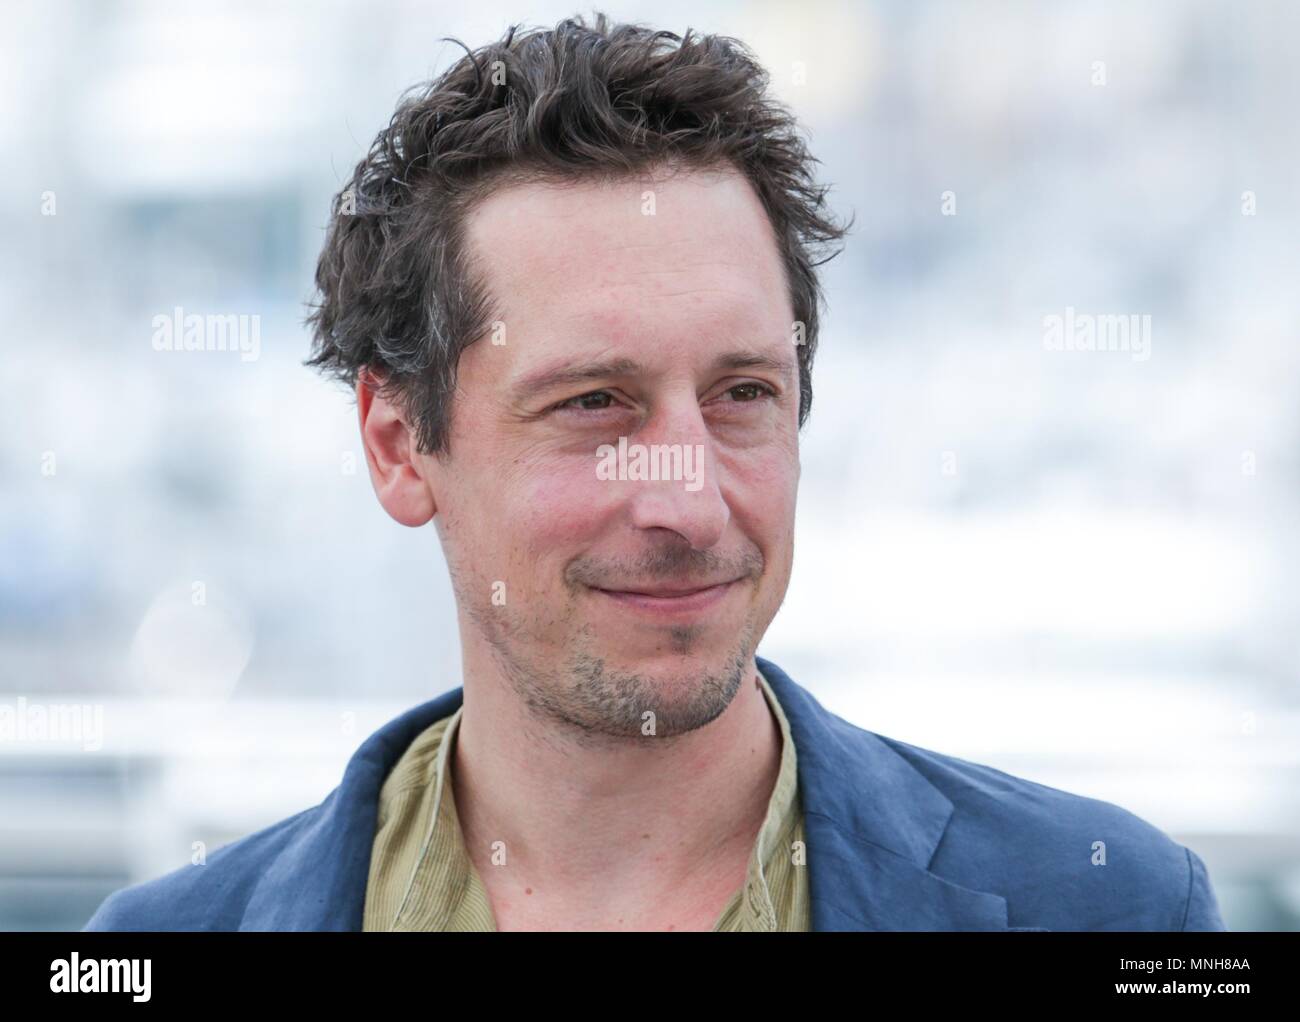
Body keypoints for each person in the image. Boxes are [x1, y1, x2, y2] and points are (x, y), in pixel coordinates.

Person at [84, 12, 1226, 932]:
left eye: (741, 394)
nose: (689, 499)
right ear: (397, 442)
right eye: (593, 404)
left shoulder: (1110, 908)